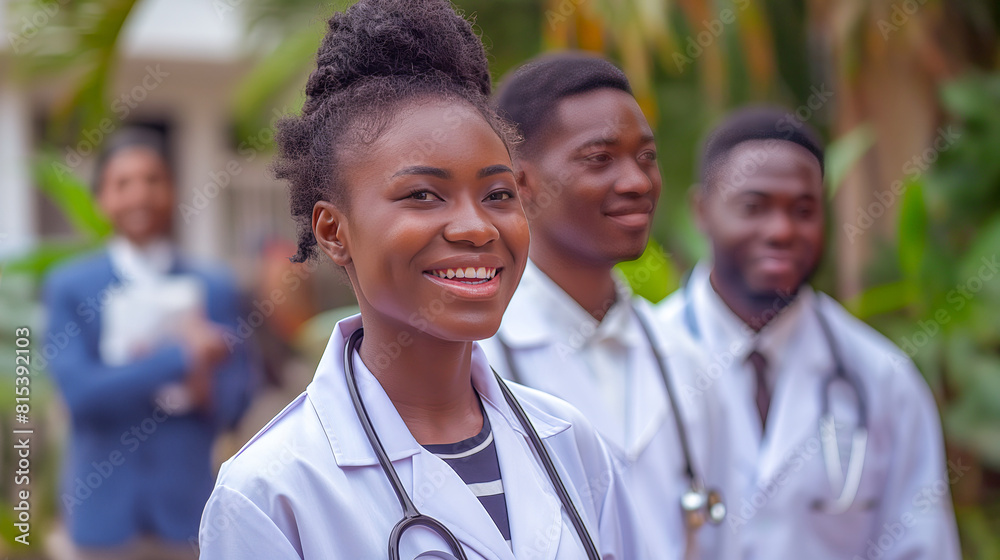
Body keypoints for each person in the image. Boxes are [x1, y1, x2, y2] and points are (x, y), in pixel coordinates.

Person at [197, 1, 650, 559]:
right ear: (333, 230)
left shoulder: (570, 443)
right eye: (422, 195)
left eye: (498, 194)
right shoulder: (271, 492)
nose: (477, 227)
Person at [656, 106, 962, 558]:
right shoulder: (646, 360)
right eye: (754, 206)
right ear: (702, 210)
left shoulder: (883, 380)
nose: (781, 230)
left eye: (803, 210)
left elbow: (922, 545)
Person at [478, 51, 730, 560]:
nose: (637, 182)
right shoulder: (476, 360)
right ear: (518, 183)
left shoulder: (687, 359)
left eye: (646, 157)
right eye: (599, 159)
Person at [43, 128, 255, 560]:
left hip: (188, 513)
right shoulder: (71, 287)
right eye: (123, 183)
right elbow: (80, 394)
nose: (140, 194)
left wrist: (209, 392)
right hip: (102, 515)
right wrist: (182, 356)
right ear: (102, 198)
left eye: (153, 180)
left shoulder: (213, 286)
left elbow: (240, 391)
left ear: (172, 191)